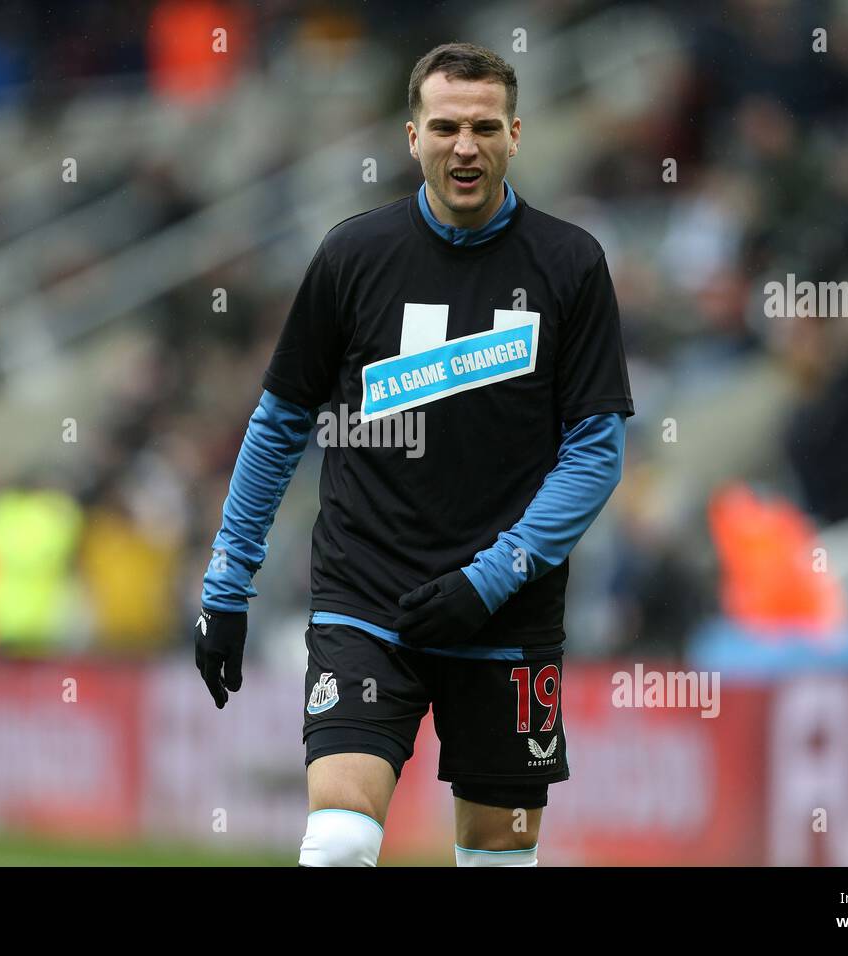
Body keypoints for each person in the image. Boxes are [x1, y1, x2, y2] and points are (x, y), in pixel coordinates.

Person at [194, 42, 633, 866]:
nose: (463, 145)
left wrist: (493, 576)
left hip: (507, 612)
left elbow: (596, 451)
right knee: (338, 844)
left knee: (498, 860)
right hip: (368, 598)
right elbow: (281, 421)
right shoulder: (353, 256)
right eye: (444, 126)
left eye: (482, 127)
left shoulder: (571, 265)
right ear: (411, 137)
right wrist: (227, 585)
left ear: (515, 135)